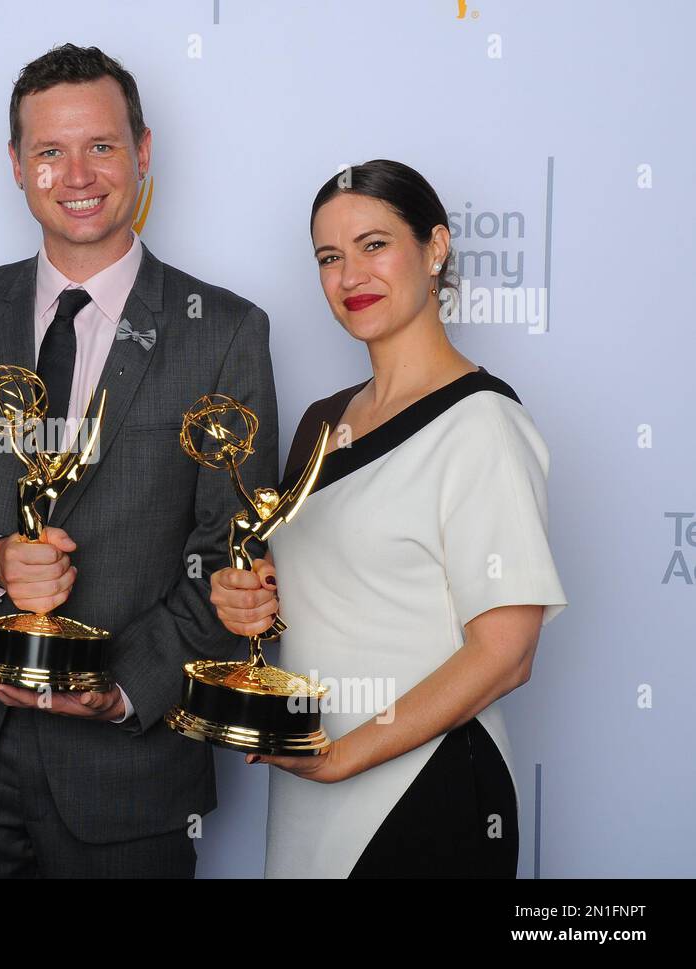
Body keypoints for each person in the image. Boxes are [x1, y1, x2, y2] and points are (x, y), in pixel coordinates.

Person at [0, 45, 278, 877]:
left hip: (129, 774)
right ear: (16, 165)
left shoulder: (225, 332)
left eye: (101, 146)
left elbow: (229, 553)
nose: (77, 173)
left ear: (142, 152)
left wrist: (122, 686)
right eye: (49, 151)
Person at [210, 159, 567, 877]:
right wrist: (248, 598)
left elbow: (506, 652)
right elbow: (316, 590)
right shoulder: (321, 420)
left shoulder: (482, 424)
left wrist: (344, 755)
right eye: (329, 257)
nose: (350, 277)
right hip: (312, 783)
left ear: (435, 249)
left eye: (375, 245)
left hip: (422, 785)